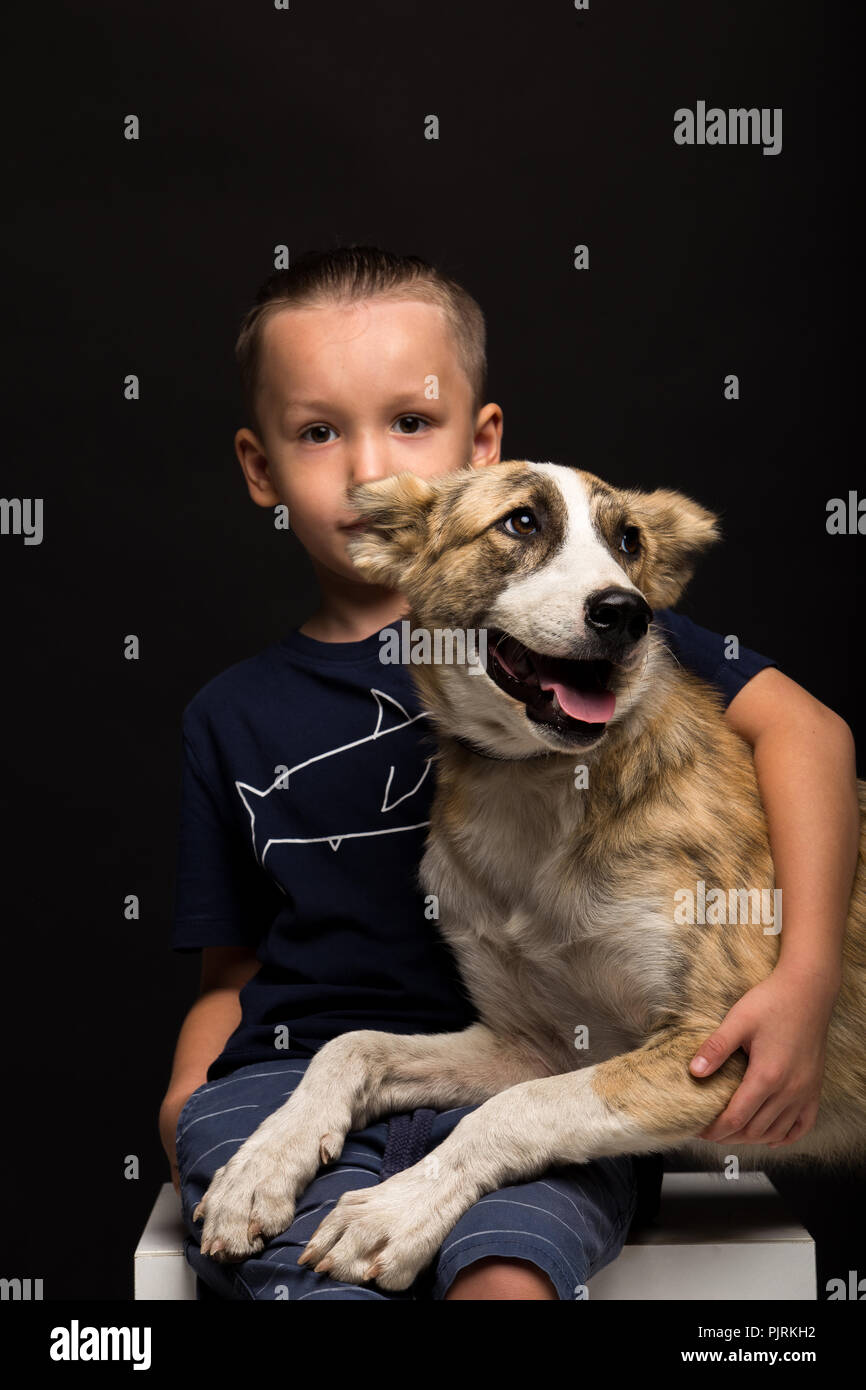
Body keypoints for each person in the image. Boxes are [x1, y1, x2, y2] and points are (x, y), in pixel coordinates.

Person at [158, 246, 859, 1300]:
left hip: (641, 1068)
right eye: (318, 431)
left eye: (408, 421)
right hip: (413, 1062)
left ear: (478, 439)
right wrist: (195, 1098)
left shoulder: (634, 651)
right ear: (260, 465)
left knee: (502, 1266)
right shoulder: (254, 710)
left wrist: (804, 977)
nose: (367, 472)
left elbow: (807, 734)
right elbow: (239, 971)